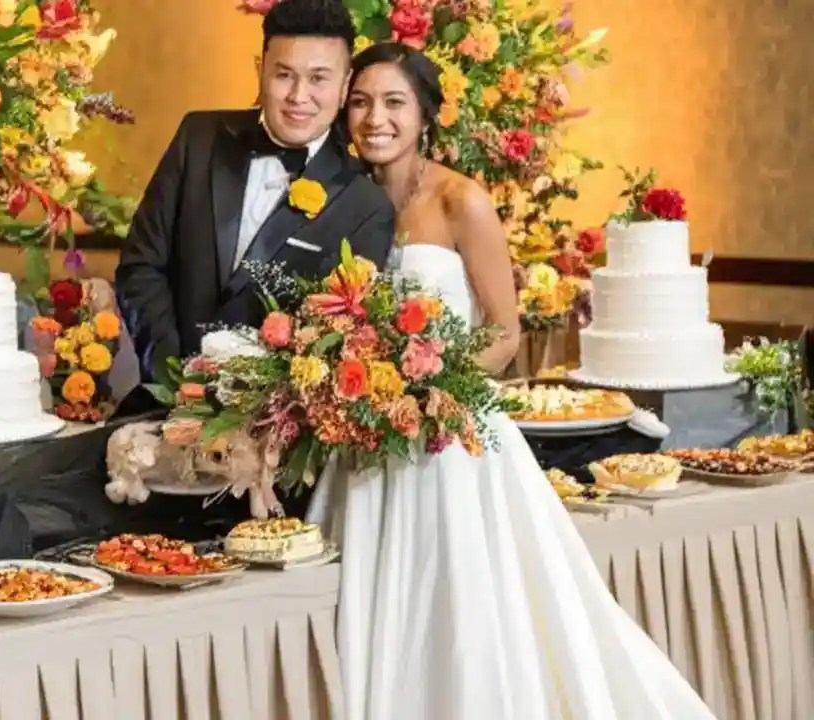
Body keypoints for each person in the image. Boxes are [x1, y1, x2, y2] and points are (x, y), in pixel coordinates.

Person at [306, 42, 718, 719]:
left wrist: (436, 390)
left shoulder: (461, 200)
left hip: (448, 440)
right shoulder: (340, 203)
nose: (374, 117)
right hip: (365, 439)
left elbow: (504, 330)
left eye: (393, 102)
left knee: (462, 604)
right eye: (360, 101)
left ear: (425, 115)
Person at [115, 0, 395, 390]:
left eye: (318, 79)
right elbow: (141, 266)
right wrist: (171, 378)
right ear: (260, 69)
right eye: (284, 75)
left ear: (346, 85)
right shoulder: (199, 138)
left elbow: (339, 335)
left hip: (277, 425)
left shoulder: (367, 206)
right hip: (165, 403)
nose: (299, 96)